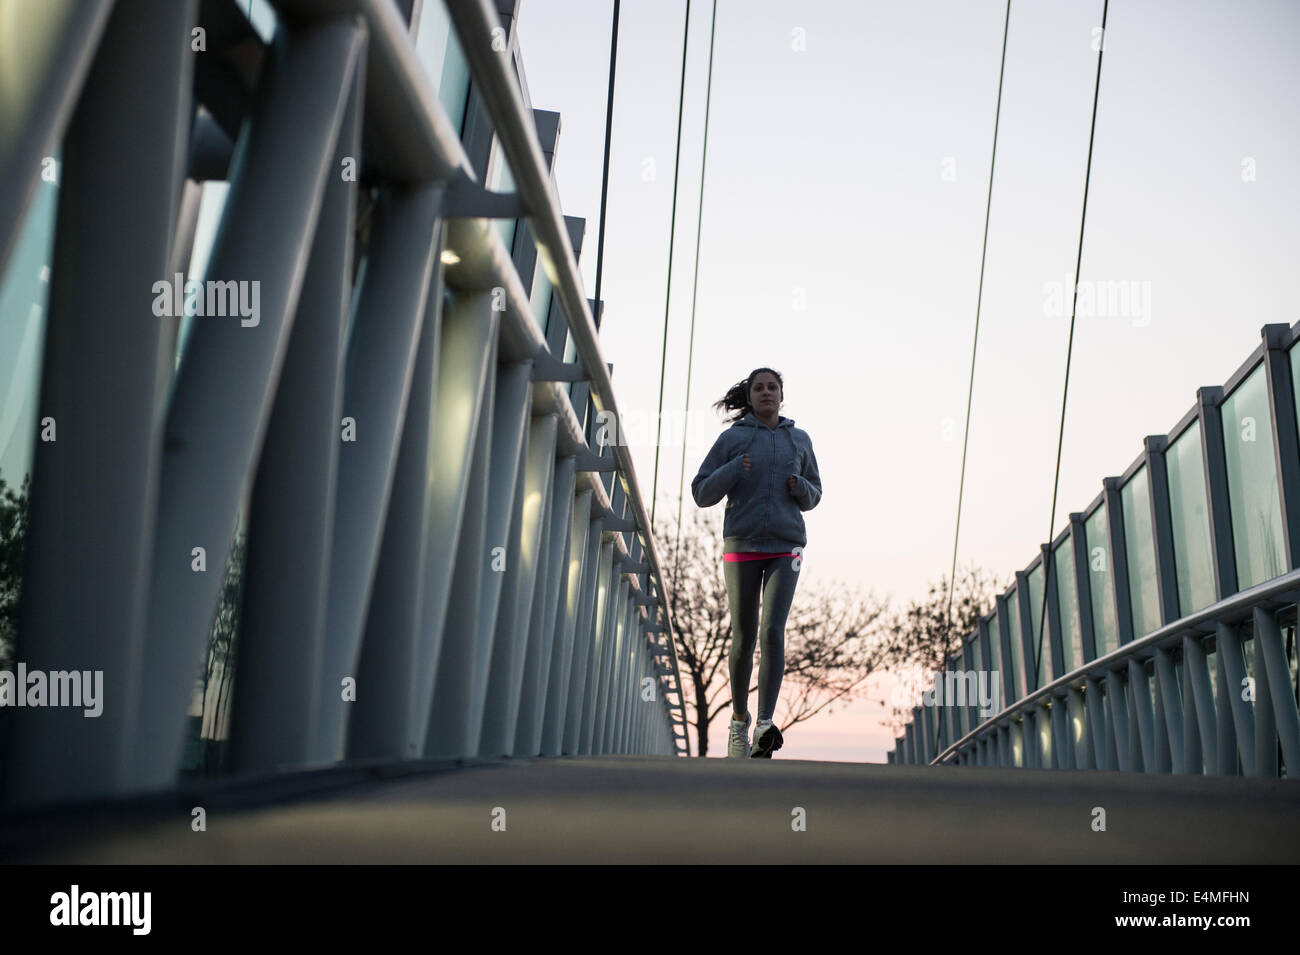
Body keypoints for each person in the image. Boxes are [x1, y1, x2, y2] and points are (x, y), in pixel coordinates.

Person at [690, 368, 822, 758]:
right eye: (758, 388)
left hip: (787, 544)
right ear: (749, 397)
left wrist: (802, 488)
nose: (766, 392)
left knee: (772, 631)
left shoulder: (799, 439)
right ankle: (738, 723)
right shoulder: (732, 439)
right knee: (744, 634)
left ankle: (765, 723)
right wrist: (734, 469)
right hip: (741, 544)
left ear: (782, 396)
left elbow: (816, 495)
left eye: (772, 387)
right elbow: (701, 492)